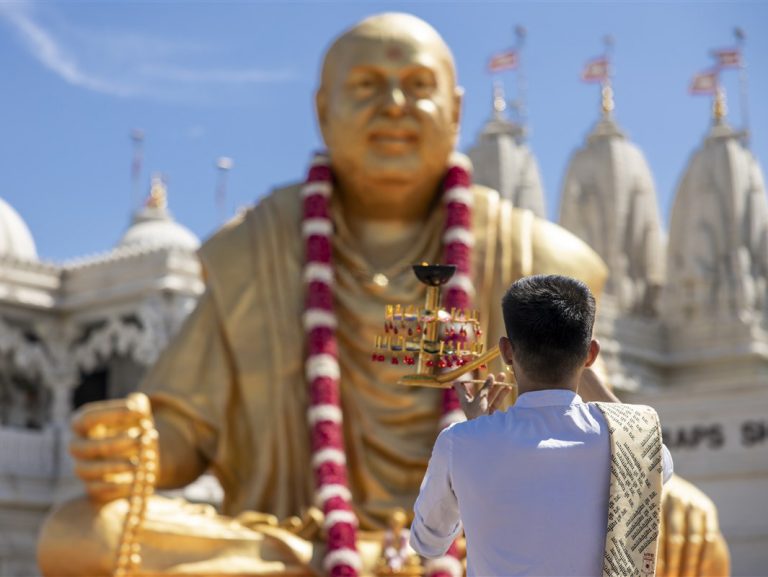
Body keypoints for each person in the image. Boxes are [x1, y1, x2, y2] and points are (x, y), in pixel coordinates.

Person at [38, 12, 729, 577]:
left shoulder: (532, 252)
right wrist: (137, 446)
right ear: (322, 109)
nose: (395, 105)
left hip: (432, 549)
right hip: (297, 536)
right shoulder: (258, 248)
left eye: (416, 85)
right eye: (368, 85)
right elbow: (185, 430)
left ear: (455, 109)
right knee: (78, 534)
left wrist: (675, 499)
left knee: (691, 536)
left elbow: (640, 486)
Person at [410, 275, 673, 576]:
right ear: (591, 354)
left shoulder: (461, 442)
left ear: (507, 352)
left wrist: (478, 436)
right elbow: (659, 461)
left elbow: (427, 544)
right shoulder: (634, 439)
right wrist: (584, 368)